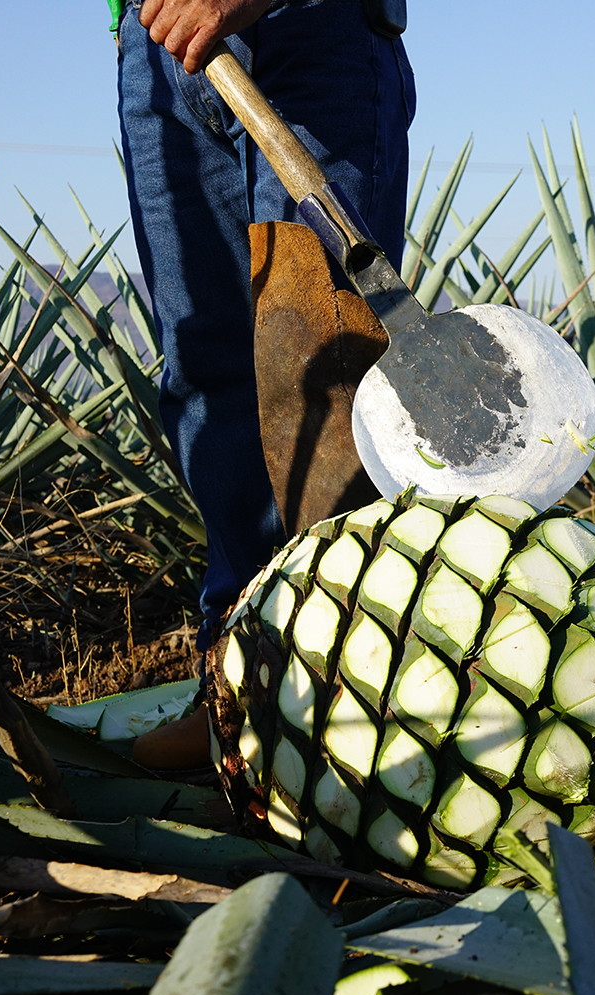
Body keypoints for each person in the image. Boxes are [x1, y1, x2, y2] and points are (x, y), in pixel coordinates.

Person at [113, 0, 414, 765]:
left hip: (308, 25)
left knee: (325, 374)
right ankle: (237, 681)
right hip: (153, 45)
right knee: (207, 372)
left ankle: (347, 692)